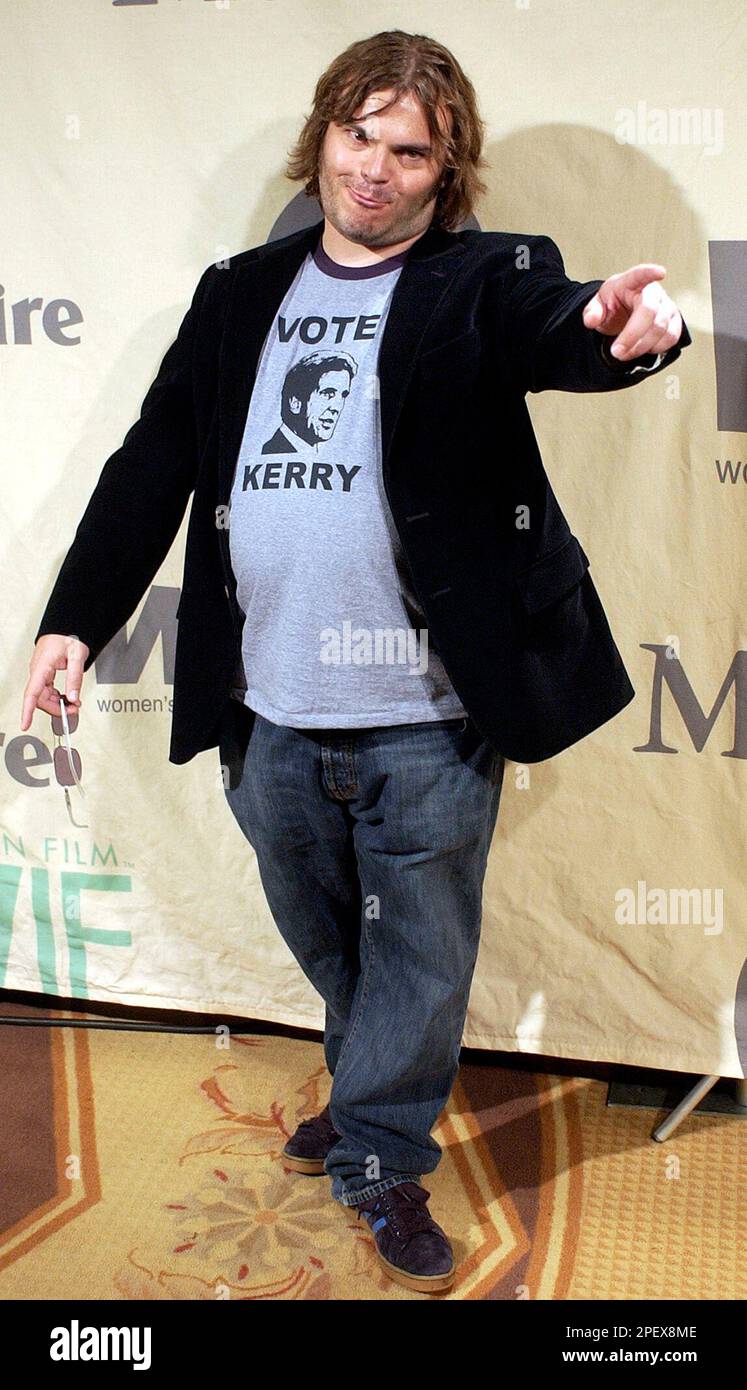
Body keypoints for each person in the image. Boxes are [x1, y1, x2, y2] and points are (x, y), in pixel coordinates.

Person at [22, 29, 691, 1294]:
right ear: (321, 135)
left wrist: (619, 328)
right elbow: (149, 466)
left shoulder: (488, 277)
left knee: (421, 948)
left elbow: (564, 328)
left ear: (448, 172)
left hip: (427, 710)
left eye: (409, 151)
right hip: (268, 701)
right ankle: (379, 1077)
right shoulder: (237, 295)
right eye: (356, 135)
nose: (373, 171)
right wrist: (72, 619)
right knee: (336, 935)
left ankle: (379, 1148)